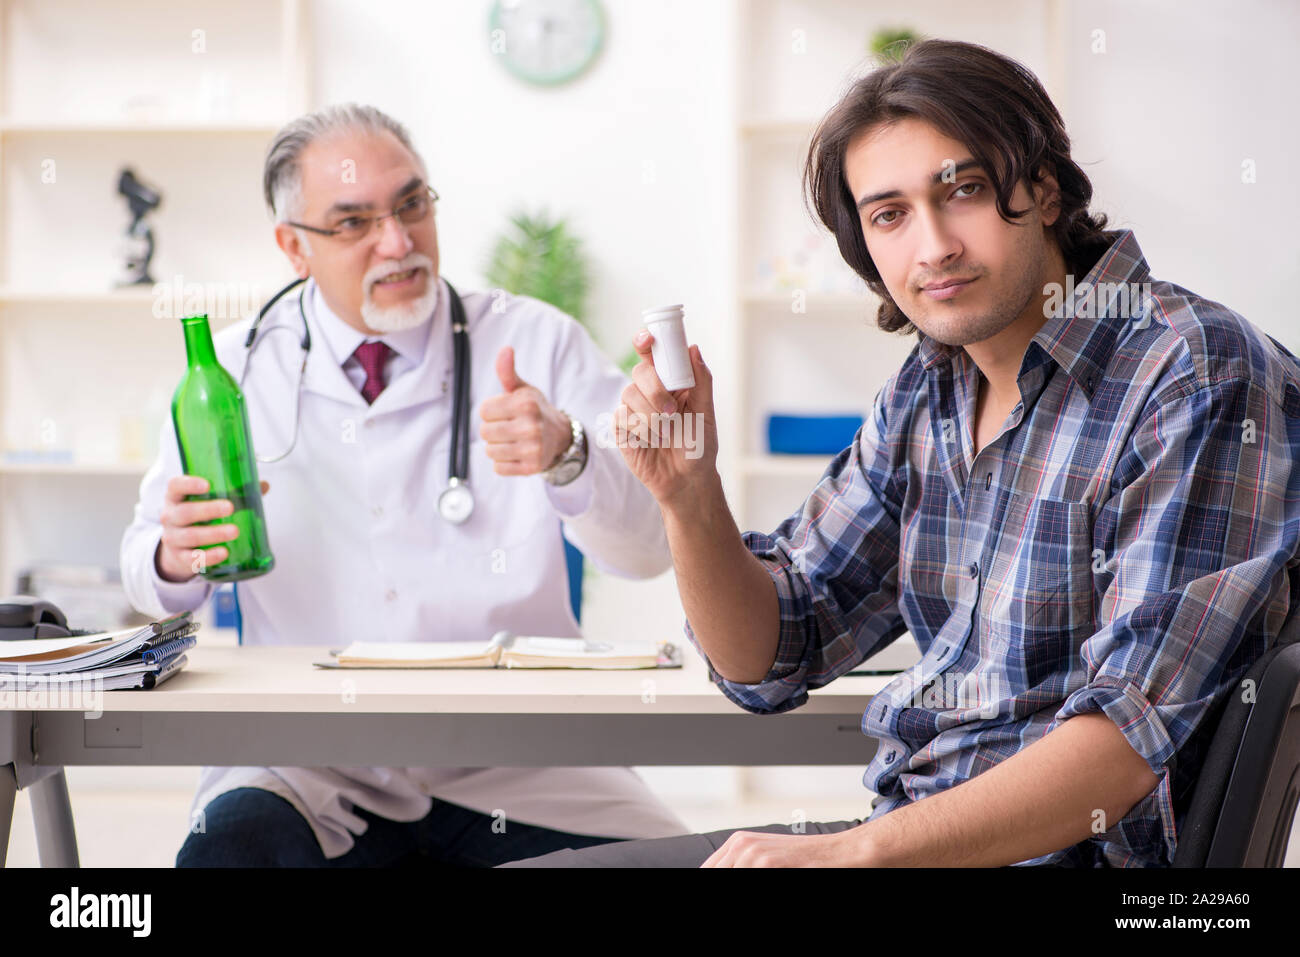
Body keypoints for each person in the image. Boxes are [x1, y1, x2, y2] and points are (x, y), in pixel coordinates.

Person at [504, 38, 1300, 867]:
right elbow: (772, 651)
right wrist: (689, 498)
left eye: (962, 191)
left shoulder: (1192, 370)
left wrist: (855, 853)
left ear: (1043, 187)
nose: (934, 247)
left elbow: (1126, 741)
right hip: (912, 841)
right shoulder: (928, 393)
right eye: (889, 214)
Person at [119, 103, 689, 867]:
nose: (398, 243)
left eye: (412, 205)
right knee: (227, 855)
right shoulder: (232, 370)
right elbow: (144, 569)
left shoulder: (536, 340)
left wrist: (570, 454)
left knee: (674, 864)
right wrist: (172, 555)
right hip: (309, 755)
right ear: (294, 246)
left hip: (521, 755)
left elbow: (650, 547)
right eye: (354, 222)